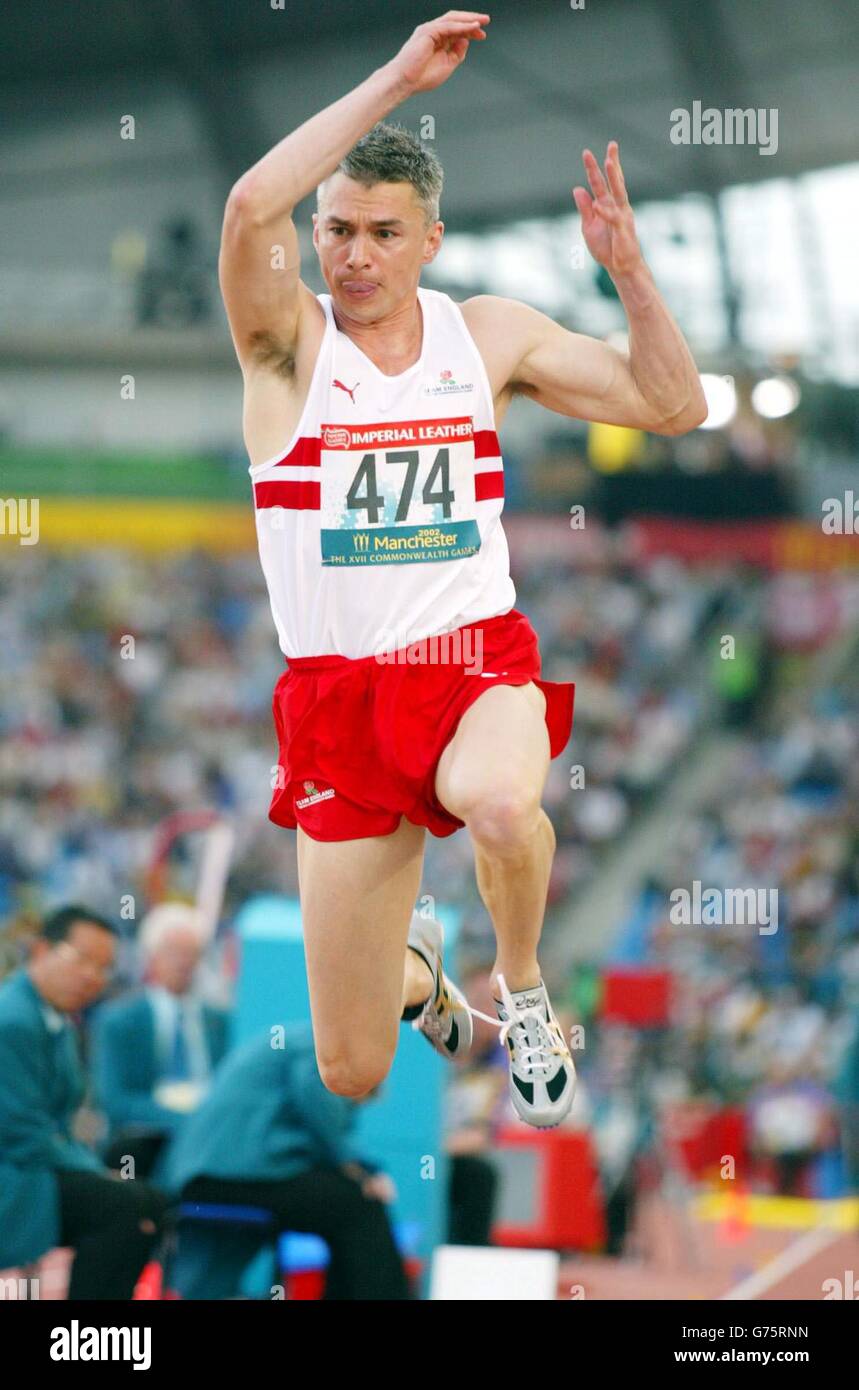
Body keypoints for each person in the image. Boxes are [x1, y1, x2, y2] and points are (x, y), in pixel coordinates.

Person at [218, 11, 706, 1129]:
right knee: (351, 1068)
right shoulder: (288, 348)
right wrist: (395, 79)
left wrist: (630, 276)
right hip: (338, 696)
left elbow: (674, 405)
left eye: (383, 233)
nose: (352, 255)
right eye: (337, 230)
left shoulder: (482, 338)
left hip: (470, 661)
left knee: (498, 807)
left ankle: (521, 988)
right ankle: (422, 975)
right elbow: (251, 208)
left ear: (429, 241)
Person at [160, 1025, 410, 1300]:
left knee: (346, 1208)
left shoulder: (301, 1042)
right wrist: (361, 1170)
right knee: (360, 1204)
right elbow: (319, 1105)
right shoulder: (325, 1047)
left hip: (213, 1173)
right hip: (230, 1174)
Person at [0, 905, 170, 1298]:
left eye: (104, 968)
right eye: (83, 960)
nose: (92, 977)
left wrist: (91, 1169)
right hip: (15, 1175)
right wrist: (93, 1171)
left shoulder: (53, 1019)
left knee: (146, 1202)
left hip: (33, 1167)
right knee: (123, 1207)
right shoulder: (14, 1021)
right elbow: (21, 1133)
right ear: (41, 951)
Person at [92, 902, 230, 1180]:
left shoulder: (220, 1022)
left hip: (213, 1138)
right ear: (151, 956)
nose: (184, 962)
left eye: (192, 954)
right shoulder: (120, 1021)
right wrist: (184, 1120)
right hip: (149, 1141)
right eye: (174, 952)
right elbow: (114, 1100)